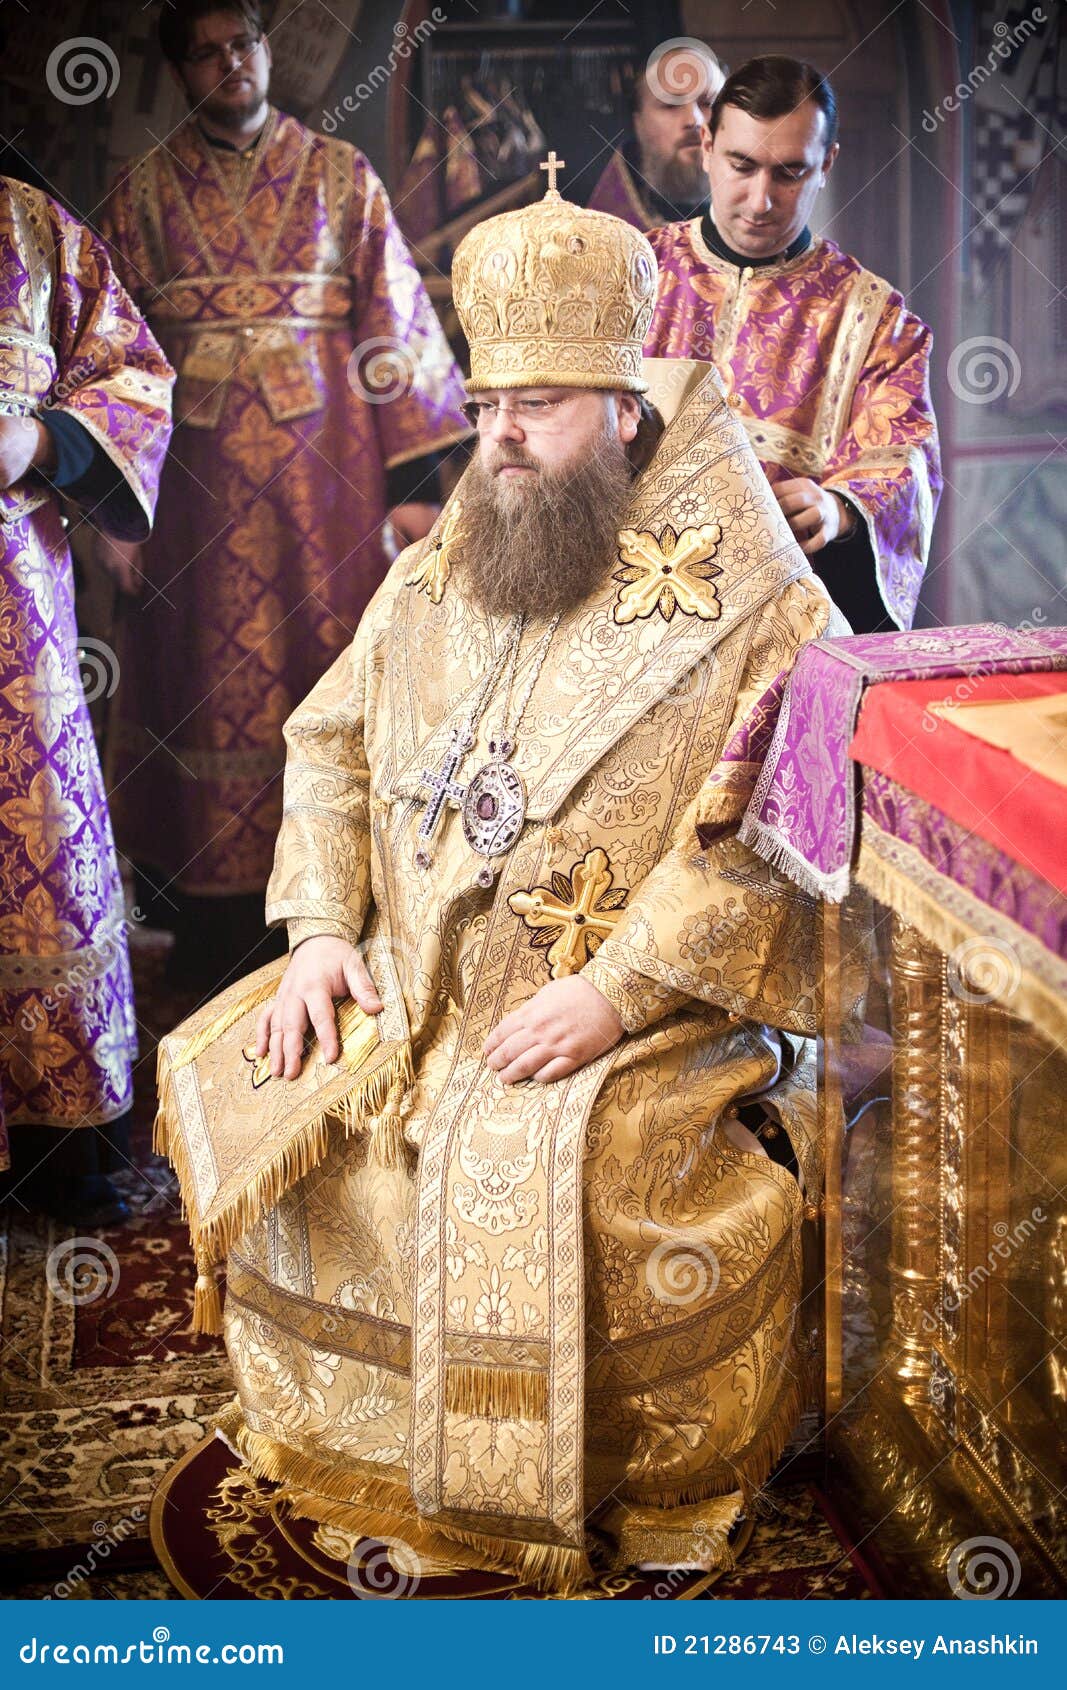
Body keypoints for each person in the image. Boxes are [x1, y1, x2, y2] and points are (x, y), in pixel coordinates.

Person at [155, 166, 846, 1592]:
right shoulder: (451, 553)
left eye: (532, 404)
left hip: (638, 1017)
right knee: (268, 1094)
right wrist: (318, 929)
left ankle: (605, 1490)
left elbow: (770, 839)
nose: (498, 440)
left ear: (622, 406)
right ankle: (365, 1444)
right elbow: (330, 738)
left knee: (580, 1175)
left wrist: (613, 991)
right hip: (407, 985)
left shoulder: (760, 598)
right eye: (481, 407)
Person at [99, 0, 471, 991]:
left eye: (244, 44)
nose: (232, 64)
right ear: (181, 71)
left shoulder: (339, 175)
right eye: (209, 53)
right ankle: (216, 942)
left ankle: (331, 913)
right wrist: (109, 512)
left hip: (329, 487)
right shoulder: (139, 195)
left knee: (328, 673)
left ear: (268, 50)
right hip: (192, 499)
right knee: (204, 699)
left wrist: (417, 488)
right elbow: (112, 361)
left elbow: (395, 334)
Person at [0, 175, 174, 1225]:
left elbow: (131, 375)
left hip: (16, 611)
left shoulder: (29, 223)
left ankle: (62, 1140)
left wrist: (37, 443)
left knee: (43, 849)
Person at [644, 55, 942, 634]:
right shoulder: (633, 275)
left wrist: (841, 509)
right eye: (742, 165)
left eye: (789, 173)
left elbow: (906, 461)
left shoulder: (877, 320)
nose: (760, 200)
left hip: (784, 616)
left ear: (826, 163)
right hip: (634, 609)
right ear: (706, 146)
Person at [587, 40, 724, 229]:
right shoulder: (604, 233)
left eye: (707, 103)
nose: (695, 120)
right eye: (671, 105)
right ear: (639, 121)